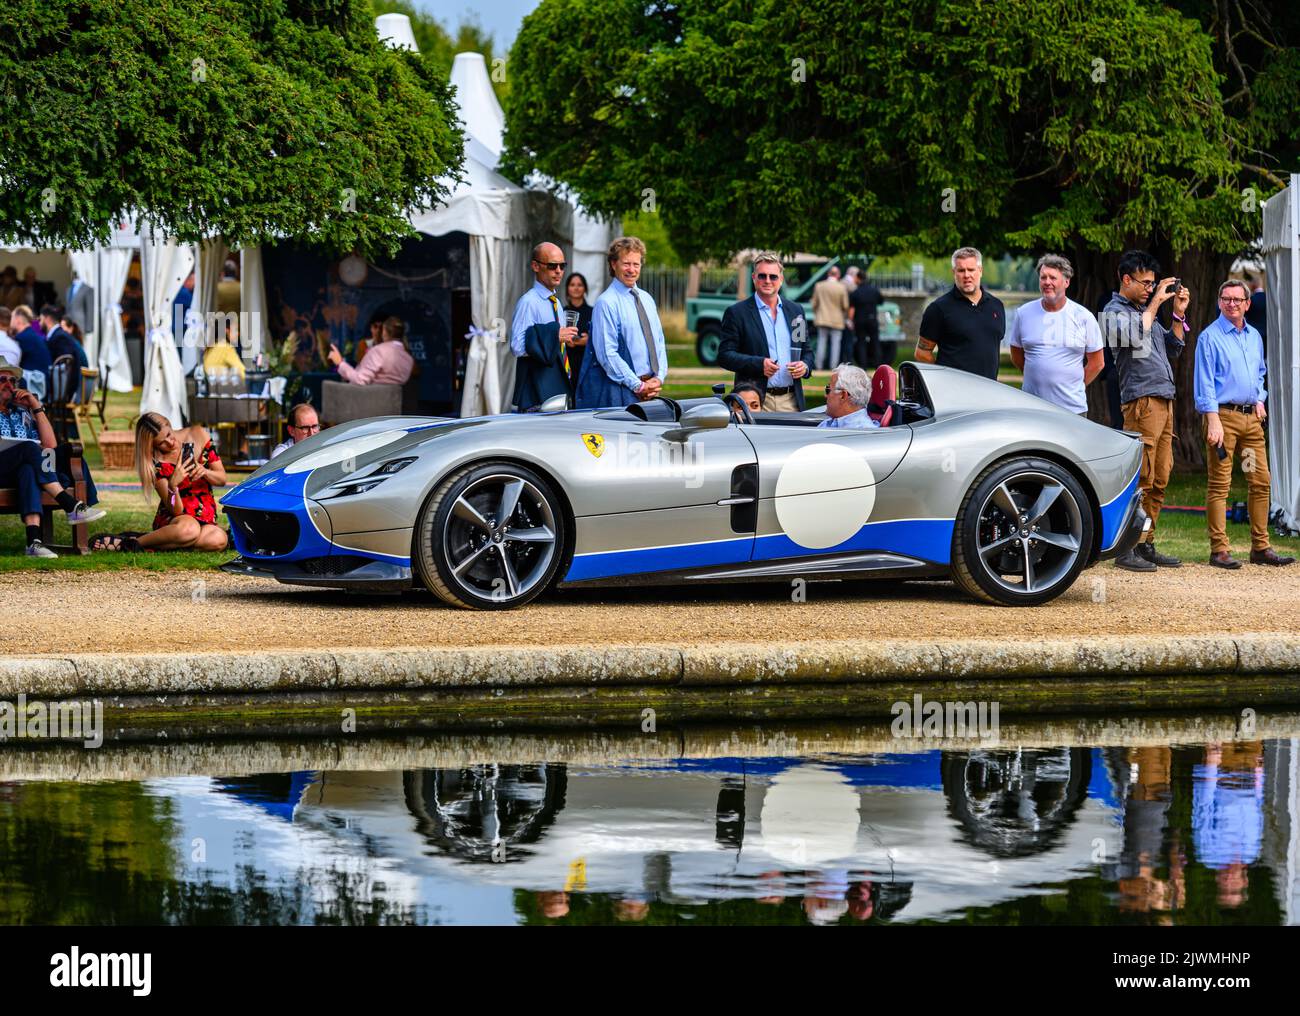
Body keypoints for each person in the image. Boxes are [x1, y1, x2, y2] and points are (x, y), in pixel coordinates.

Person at [1194, 279, 1293, 568]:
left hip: (1251, 423)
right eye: (1226, 299)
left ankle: (1260, 547)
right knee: (1220, 484)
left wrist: (1260, 398)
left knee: (1259, 481)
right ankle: (1219, 550)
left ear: (1248, 304)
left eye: (1238, 299)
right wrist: (1212, 420)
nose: (1232, 304)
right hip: (1223, 420)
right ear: (1219, 302)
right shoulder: (1209, 338)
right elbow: (1204, 384)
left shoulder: (1253, 337)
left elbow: (1260, 372)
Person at [1102, 251, 1190, 571]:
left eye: (1154, 284)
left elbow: (1174, 348)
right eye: (1146, 283)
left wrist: (1178, 314)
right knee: (1142, 478)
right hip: (1141, 402)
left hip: (1164, 400)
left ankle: (1144, 543)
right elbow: (1135, 335)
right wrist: (1155, 306)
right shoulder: (1113, 312)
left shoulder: (1145, 312)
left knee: (1161, 477)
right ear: (1126, 279)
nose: (1151, 290)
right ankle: (1125, 551)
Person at [0, 356, 105, 557]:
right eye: (2, 380)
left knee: (35, 465)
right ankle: (70, 504)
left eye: (12, 381)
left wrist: (35, 407)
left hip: (26, 469)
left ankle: (34, 543)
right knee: (29, 449)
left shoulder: (22, 413)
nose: (9, 385)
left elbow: (49, 447)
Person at [92, 412, 228, 552]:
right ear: (152, 444)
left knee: (218, 540)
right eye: (161, 442)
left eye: (169, 435)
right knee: (189, 530)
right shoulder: (154, 462)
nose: (170, 442)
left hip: (205, 514)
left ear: (169, 425)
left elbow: (222, 479)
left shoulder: (198, 434)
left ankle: (155, 540)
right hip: (176, 517)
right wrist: (173, 485)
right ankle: (131, 545)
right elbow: (176, 510)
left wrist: (205, 472)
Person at [574, 236, 668, 408]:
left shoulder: (647, 299)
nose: (631, 269)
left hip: (652, 390)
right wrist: (638, 386)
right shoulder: (606, 303)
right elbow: (607, 355)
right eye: (626, 263)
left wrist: (658, 378)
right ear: (613, 264)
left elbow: (659, 342)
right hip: (621, 391)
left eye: (636, 264)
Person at [1008, 254, 1104, 414]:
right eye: (1043, 277)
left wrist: (1074, 385)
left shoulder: (1083, 316)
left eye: (1053, 278)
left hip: (1072, 409)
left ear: (1066, 282)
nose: (1047, 282)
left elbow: (1097, 362)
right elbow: (1016, 355)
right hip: (1032, 407)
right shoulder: (1024, 313)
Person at [717, 251, 812, 412]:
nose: (767, 281)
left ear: (781, 280)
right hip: (755, 402)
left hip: (791, 401)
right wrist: (758, 364)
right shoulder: (737, 313)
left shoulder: (796, 311)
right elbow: (725, 356)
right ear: (754, 277)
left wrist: (805, 366)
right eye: (762, 276)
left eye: (773, 276)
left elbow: (806, 351)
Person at [915, 247, 1005, 379]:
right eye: (961, 270)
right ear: (954, 272)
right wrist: (943, 378)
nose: (967, 275)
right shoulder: (938, 309)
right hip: (953, 393)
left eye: (971, 270)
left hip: (989, 391)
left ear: (980, 271)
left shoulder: (996, 306)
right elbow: (921, 353)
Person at [509, 242, 577, 411]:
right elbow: (517, 347)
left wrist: (562, 340)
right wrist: (553, 337)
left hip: (555, 387)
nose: (559, 271)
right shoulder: (528, 302)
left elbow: (553, 344)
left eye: (562, 266)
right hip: (536, 393)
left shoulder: (557, 303)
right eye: (552, 266)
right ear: (536, 266)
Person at [327, 316, 413, 386]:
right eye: (375, 326)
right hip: (389, 403)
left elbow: (360, 380)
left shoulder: (378, 351)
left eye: (380, 328)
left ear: (384, 332)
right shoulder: (409, 359)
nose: (377, 331)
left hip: (364, 400)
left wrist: (340, 363)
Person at [811, 265, 850, 371]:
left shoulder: (819, 285)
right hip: (837, 319)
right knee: (835, 344)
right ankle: (833, 367)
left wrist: (817, 312)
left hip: (822, 318)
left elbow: (814, 303)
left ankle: (819, 366)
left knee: (821, 342)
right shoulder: (841, 287)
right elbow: (845, 306)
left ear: (828, 274)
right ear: (838, 275)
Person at [818, 364, 880, 429]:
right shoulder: (832, 422)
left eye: (828, 390)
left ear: (843, 395)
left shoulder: (862, 433)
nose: (825, 395)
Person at [8, 305, 52, 393]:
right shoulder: (32, 335)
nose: (10, 321)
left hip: (36, 385)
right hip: (43, 382)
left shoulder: (23, 338)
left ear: (18, 319)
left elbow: (11, 363)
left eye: (11, 317)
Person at [849, 269, 885, 367]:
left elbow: (851, 308)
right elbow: (881, 301)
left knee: (861, 343)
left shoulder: (855, 292)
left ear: (858, 278)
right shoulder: (874, 290)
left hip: (860, 320)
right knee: (875, 342)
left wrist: (850, 320)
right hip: (872, 319)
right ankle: (878, 364)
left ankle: (863, 365)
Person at [563, 271, 593, 385]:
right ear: (567, 289)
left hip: (586, 363)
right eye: (572, 285)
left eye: (579, 285)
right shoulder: (561, 312)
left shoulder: (593, 312)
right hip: (567, 362)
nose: (576, 288)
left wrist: (588, 340)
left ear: (585, 288)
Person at [64, 270, 95, 335]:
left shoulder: (87, 289)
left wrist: (89, 328)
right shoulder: (69, 288)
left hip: (80, 324)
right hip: (68, 324)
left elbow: (90, 309)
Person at [1244, 271, 1267, 353]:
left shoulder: (1251, 300)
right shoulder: (1269, 300)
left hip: (1253, 334)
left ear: (1253, 285)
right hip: (1268, 333)